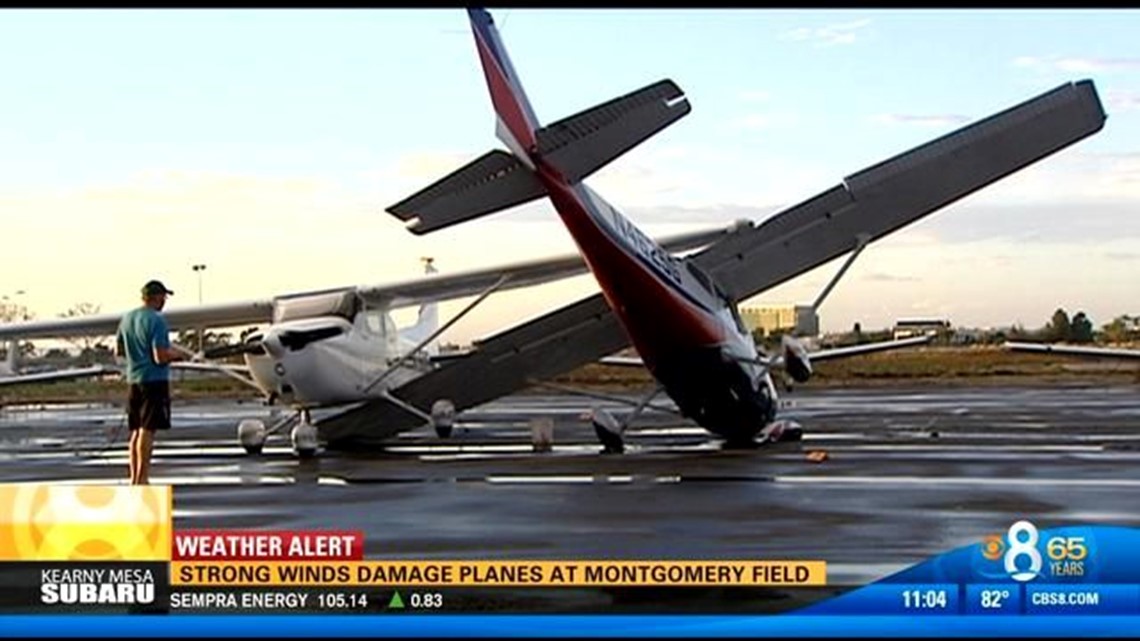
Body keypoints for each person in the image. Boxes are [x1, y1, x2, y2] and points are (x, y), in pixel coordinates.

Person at [115, 280, 186, 485]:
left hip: (134, 379)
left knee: (136, 430)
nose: (165, 301)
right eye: (164, 297)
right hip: (154, 380)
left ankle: (134, 478)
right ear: (157, 297)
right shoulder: (157, 320)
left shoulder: (127, 319)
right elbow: (160, 356)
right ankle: (143, 478)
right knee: (147, 429)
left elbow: (119, 351)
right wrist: (178, 356)